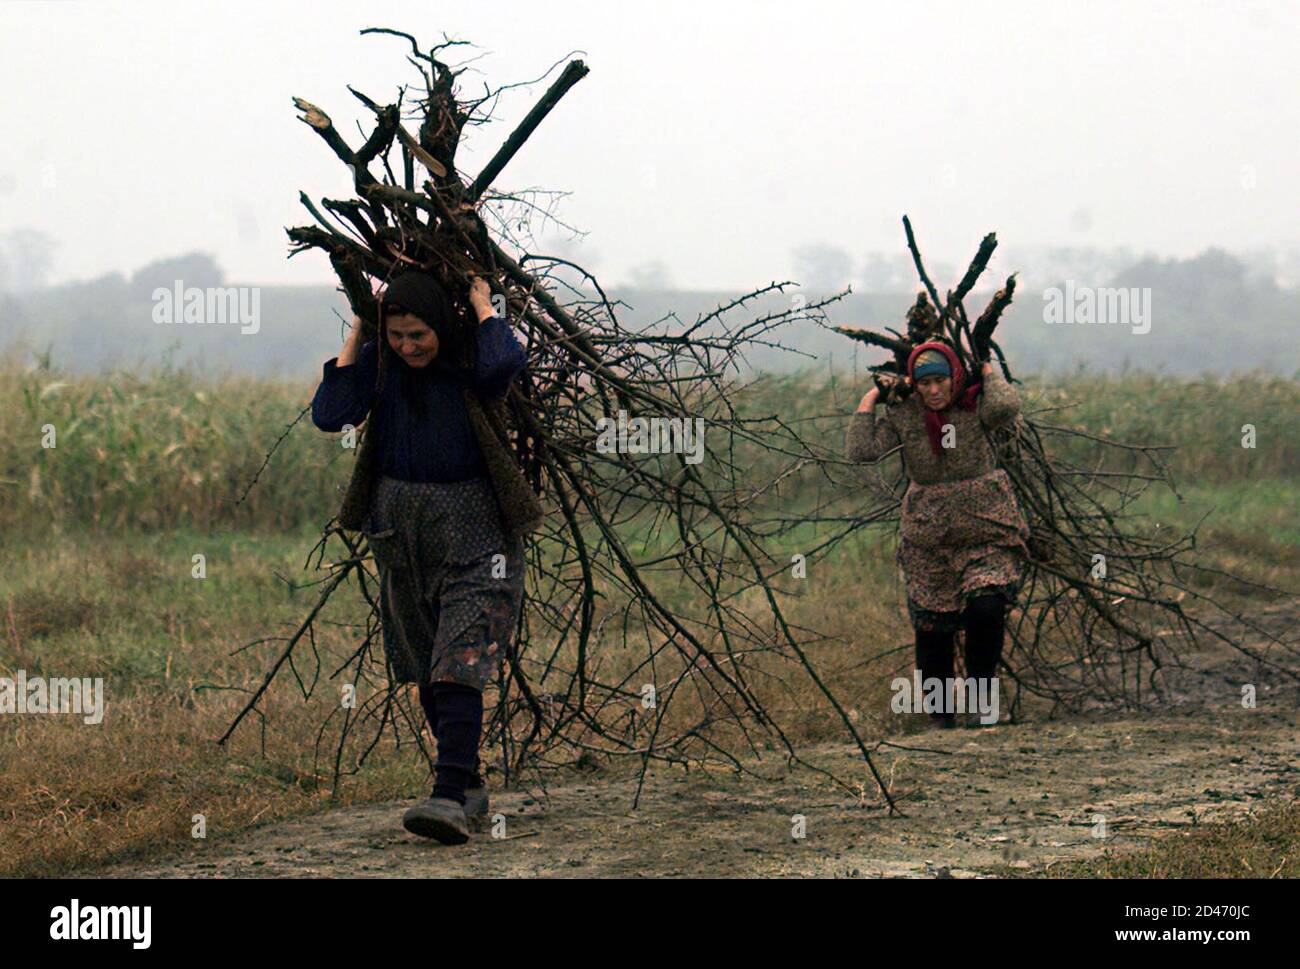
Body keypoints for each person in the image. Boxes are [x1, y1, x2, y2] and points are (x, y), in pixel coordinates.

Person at [311, 271, 539, 844]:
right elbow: (331, 411)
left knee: (460, 660)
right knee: (426, 670)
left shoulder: (469, 364)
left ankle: (446, 797)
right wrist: (364, 325)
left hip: (477, 533)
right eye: (398, 336)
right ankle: (467, 784)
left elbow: (503, 363)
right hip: (400, 537)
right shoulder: (382, 368)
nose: (409, 347)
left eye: (419, 335)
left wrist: (483, 305)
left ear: (441, 325)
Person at [846, 342, 1028, 728]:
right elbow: (862, 450)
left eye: (941, 380)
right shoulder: (904, 413)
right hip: (929, 540)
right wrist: (874, 395)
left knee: (987, 609)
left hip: (987, 531)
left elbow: (1005, 408)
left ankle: (983, 708)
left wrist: (988, 372)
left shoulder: (974, 403)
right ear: (914, 382)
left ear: (955, 378)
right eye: (925, 382)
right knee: (932, 629)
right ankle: (941, 721)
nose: (933, 391)